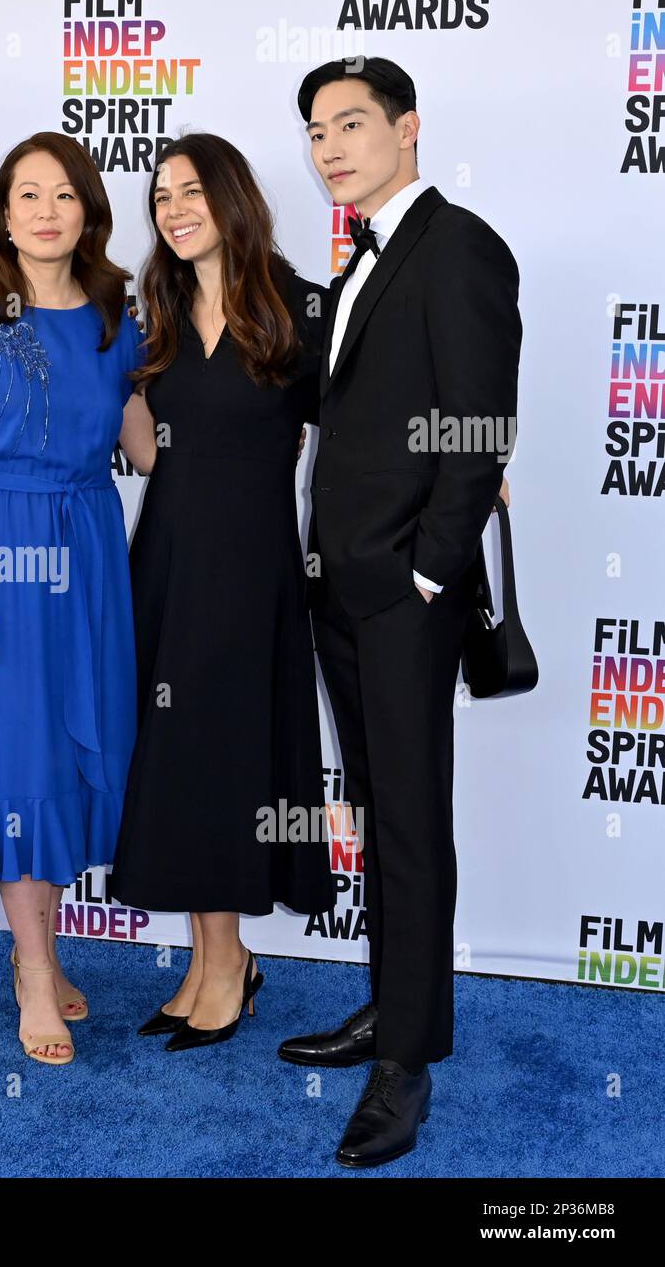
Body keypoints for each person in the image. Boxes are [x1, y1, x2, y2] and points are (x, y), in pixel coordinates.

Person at [279, 56, 521, 1167]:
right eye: (317, 131)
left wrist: (427, 573)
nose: (329, 146)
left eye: (350, 124)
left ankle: (405, 1067)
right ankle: (392, 1007)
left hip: (401, 594)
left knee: (411, 823)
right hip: (342, 584)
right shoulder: (360, 256)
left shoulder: (457, 245)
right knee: (382, 810)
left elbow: (480, 426)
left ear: (408, 128)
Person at [0, 132, 146, 1065]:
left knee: (71, 759)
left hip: (90, 560)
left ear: (87, 212)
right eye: (27, 195)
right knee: (19, 766)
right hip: (0, 563)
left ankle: (39, 954)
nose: (46, 210)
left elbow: (145, 448)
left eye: (64, 194)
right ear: (2, 215)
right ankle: (36, 974)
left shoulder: (114, 319)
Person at [110, 134, 338, 1051]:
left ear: (233, 196)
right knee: (181, 762)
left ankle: (227, 961)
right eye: (162, 195)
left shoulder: (299, 308)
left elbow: (361, 423)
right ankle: (215, 963)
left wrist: (468, 463)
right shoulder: (152, 312)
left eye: (193, 190)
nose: (174, 208)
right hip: (165, 559)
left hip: (251, 571)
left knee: (231, 762)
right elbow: (141, 449)